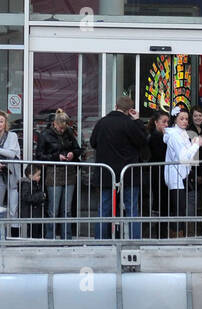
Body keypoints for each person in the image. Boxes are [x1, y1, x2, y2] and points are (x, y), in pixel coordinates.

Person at [90, 96, 148, 238]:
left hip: (106, 173)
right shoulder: (130, 124)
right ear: (130, 110)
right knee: (131, 209)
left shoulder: (102, 123)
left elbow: (93, 142)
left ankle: (100, 242)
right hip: (128, 173)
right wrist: (138, 120)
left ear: (115, 106)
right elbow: (142, 141)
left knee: (104, 209)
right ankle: (134, 241)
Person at [163, 107, 202, 238]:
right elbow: (183, 157)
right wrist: (196, 144)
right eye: (181, 118)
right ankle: (176, 237)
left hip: (181, 175)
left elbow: (186, 155)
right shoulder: (175, 135)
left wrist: (193, 144)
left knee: (180, 209)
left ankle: (177, 235)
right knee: (178, 209)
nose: (185, 121)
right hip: (176, 175)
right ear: (175, 119)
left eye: (187, 119)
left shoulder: (182, 134)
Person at [38, 110, 81, 239]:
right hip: (53, 172)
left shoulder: (69, 133)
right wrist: (56, 156)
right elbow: (39, 156)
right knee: (53, 210)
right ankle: (50, 237)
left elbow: (78, 149)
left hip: (69, 172)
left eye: (64, 127)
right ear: (54, 124)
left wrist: (73, 154)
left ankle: (66, 237)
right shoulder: (45, 135)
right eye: (60, 128)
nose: (62, 130)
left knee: (67, 210)